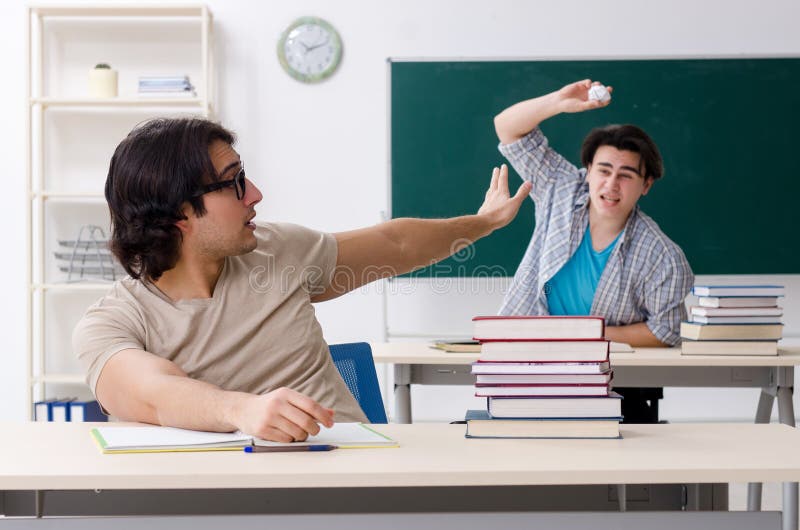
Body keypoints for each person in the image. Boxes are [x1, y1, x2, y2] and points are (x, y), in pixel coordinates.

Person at [73, 117, 531, 442]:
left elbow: (395, 245)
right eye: (234, 183)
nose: (255, 194)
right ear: (179, 213)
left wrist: (483, 223)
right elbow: (150, 394)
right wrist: (244, 410)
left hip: (350, 470)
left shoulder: (278, 250)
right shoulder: (112, 323)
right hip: (225, 497)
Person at [493, 79, 694, 423]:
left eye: (626, 175)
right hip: (528, 367)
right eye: (603, 170)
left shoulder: (662, 255)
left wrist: (582, 334)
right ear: (587, 173)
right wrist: (557, 102)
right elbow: (506, 129)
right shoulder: (561, 189)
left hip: (611, 382)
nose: (611, 185)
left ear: (646, 185)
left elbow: (666, 330)